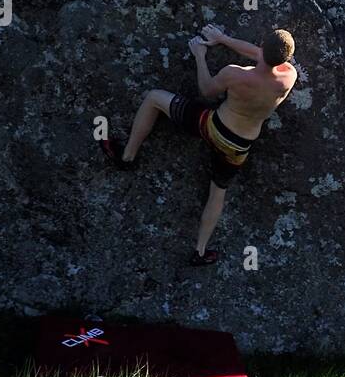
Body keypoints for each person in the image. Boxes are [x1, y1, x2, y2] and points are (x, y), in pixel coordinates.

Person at [102, 24, 297, 265]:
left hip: (214, 128)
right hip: (240, 147)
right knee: (218, 192)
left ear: (263, 46)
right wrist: (223, 39)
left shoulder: (234, 74)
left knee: (153, 98)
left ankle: (127, 157)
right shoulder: (289, 77)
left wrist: (200, 57)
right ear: (285, 59)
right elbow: (260, 55)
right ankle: (200, 251)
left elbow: (206, 90)